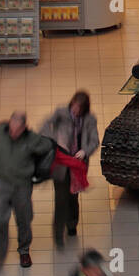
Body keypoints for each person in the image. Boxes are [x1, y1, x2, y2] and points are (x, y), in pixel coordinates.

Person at [0, 112, 56, 269]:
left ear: (24, 128)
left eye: (16, 130)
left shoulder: (32, 139)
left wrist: (41, 171)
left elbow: (49, 147)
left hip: (22, 186)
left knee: (24, 219)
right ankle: (0, 250)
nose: (12, 133)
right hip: (2, 184)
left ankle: (24, 250)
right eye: (11, 129)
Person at [41, 90, 99, 248]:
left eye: (78, 108)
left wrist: (85, 150)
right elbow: (45, 125)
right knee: (60, 199)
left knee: (73, 198)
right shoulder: (61, 113)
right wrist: (53, 141)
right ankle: (58, 234)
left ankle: (72, 224)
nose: (74, 110)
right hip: (60, 163)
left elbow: (94, 140)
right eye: (73, 106)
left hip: (77, 165)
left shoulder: (89, 119)